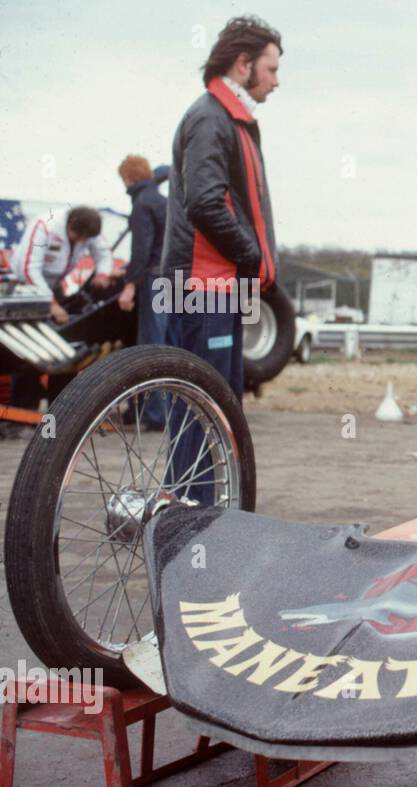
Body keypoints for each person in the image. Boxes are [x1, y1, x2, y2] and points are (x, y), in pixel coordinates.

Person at [161, 14, 282, 501]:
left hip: (224, 285)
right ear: (243, 63)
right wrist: (253, 256)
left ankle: (211, 515)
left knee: (219, 407)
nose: (277, 79)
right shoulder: (211, 117)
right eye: (271, 69)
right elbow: (206, 203)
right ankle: (191, 517)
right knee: (200, 408)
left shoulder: (234, 120)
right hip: (200, 285)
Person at [117, 155, 169, 428]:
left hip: (152, 278)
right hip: (172, 279)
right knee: (165, 344)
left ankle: (152, 414)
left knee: (150, 346)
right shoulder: (163, 201)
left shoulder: (141, 204)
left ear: (128, 178)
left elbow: (141, 251)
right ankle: (160, 411)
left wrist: (128, 286)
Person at [10, 206, 114, 322]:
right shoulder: (45, 226)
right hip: (25, 287)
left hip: (55, 286)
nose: (82, 242)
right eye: (80, 237)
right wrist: (51, 303)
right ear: (70, 225)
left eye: (86, 239)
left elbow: (103, 253)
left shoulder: (89, 228)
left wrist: (102, 274)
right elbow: (29, 269)